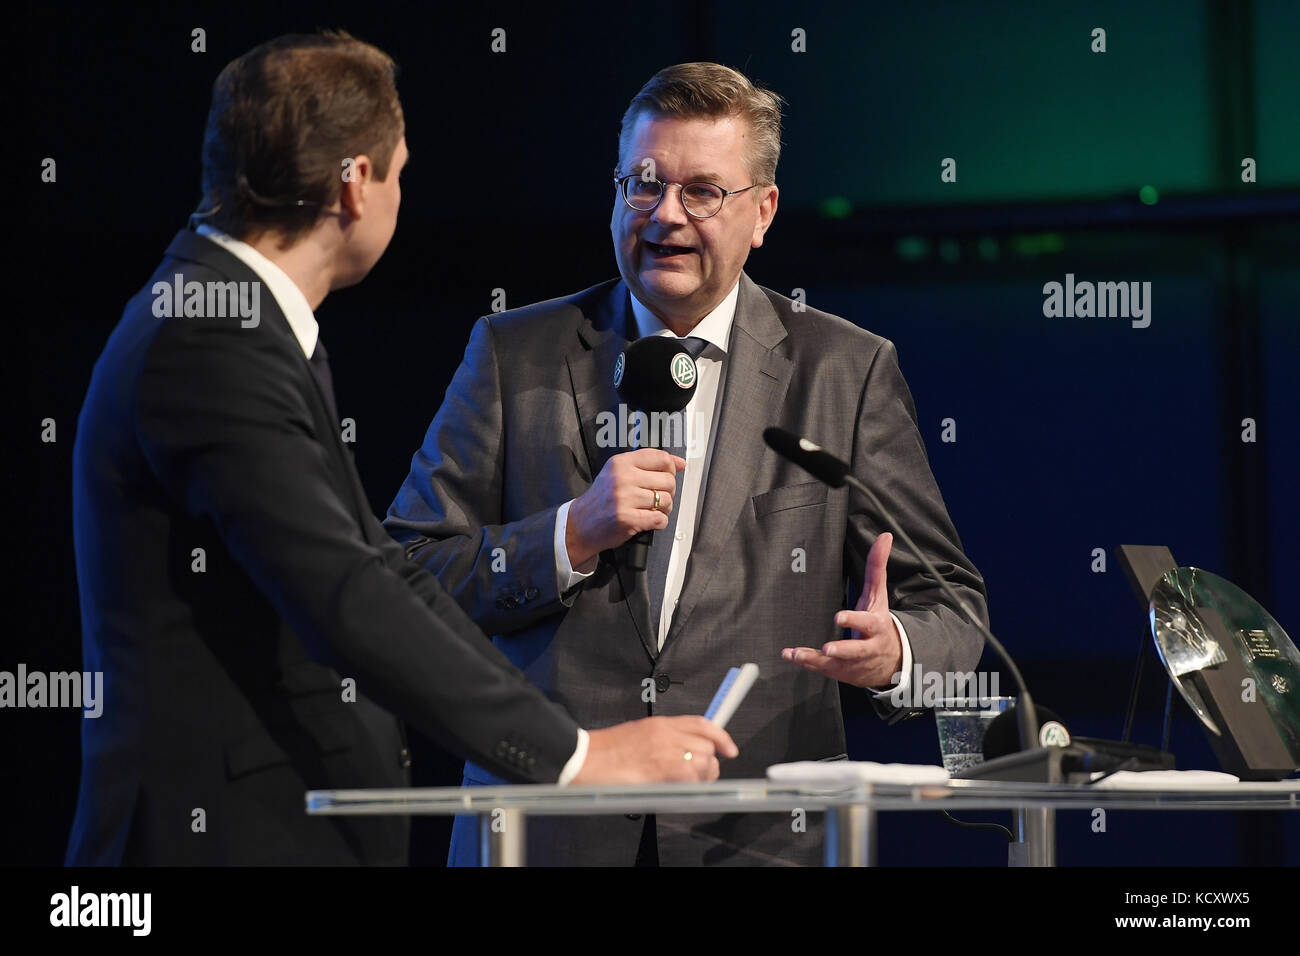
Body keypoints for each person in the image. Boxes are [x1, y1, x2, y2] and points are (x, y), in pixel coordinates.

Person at [65, 33, 735, 867]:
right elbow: (344, 592)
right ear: (354, 184)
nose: (399, 196)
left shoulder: (243, 321)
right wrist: (576, 755)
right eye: (400, 172)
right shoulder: (210, 338)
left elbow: (372, 570)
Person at [385, 62, 989, 866]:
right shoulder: (513, 354)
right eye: (642, 185)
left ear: (763, 211)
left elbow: (952, 607)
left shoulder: (844, 370)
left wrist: (896, 656)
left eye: (701, 191)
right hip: (547, 832)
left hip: (763, 838)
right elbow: (407, 575)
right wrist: (569, 534)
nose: (664, 215)